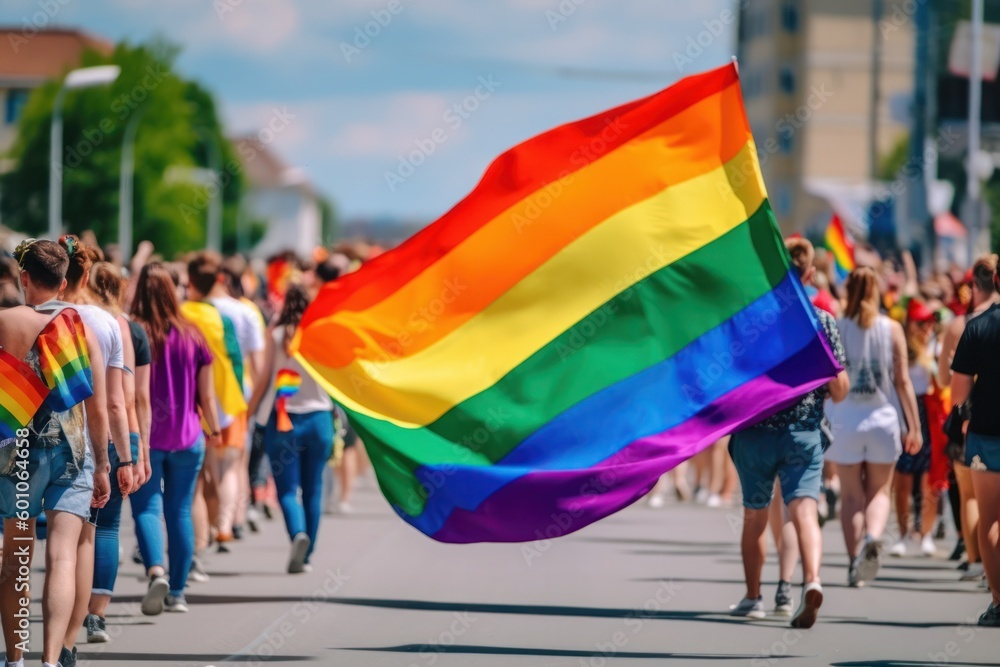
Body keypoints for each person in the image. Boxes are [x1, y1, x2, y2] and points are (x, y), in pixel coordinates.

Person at [0, 239, 120, 667]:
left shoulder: (5, 321)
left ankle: (16, 659)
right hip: (71, 449)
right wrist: (103, 465)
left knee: (17, 557)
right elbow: (98, 405)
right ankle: (51, 660)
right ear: (64, 282)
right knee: (63, 557)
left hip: (16, 452)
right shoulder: (80, 325)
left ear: (24, 277)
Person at [729, 238, 849, 629]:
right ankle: (810, 580)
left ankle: (753, 598)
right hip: (803, 432)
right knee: (803, 509)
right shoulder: (823, 321)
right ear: (810, 275)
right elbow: (840, 390)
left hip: (755, 432)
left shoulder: (750, 321)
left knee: (755, 515)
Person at [51, 238, 136, 666]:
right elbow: (114, 403)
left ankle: (16, 649)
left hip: (27, 444)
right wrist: (119, 458)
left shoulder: (28, 315)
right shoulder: (106, 323)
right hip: (82, 445)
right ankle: (65, 646)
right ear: (86, 275)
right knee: (78, 544)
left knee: (21, 547)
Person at [130, 262, 221, 615]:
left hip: (146, 437)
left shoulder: (133, 332)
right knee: (180, 510)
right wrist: (214, 429)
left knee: (147, 508)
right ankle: (178, 592)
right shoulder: (193, 335)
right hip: (188, 436)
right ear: (174, 291)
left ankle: (156, 571)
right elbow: (207, 395)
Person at [826, 266, 922, 588]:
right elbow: (903, 380)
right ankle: (872, 536)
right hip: (883, 418)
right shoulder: (891, 328)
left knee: (851, 496)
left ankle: (855, 562)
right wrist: (914, 426)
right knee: (880, 491)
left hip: (845, 419)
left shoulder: (836, 325)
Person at [84, 261, 153, 643]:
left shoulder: (70, 318)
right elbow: (129, 398)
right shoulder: (126, 328)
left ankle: (64, 621)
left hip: (69, 435)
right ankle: (96, 615)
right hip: (114, 435)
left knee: (72, 532)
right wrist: (135, 453)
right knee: (107, 526)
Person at [247, 284, 334, 573]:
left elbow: (263, 380)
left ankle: (297, 534)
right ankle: (307, 556)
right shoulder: (320, 334)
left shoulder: (277, 334)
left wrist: (249, 413)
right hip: (319, 420)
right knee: (313, 489)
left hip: (284, 421)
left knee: (286, 489)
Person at [181, 252, 248, 551]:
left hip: (193, 400)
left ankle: (205, 528)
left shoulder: (182, 313)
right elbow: (236, 361)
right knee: (229, 467)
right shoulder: (226, 317)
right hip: (227, 399)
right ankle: (224, 525)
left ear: (191, 282)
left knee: (206, 470)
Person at [939, 255, 999, 583]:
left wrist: (965, 414)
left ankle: (996, 595)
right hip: (983, 432)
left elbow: (957, 393)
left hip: (986, 431)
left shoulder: (974, 326)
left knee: (987, 515)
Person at [889, 299, 940, 557]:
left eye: (929, 322)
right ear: (910, 323)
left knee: (929, 479)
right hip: (905, 411)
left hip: (929, 414)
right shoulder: (900, 347)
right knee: (903, 479)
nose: (926, 328)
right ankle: (902, 534)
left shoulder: (935, 346)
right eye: (921, 323)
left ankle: (926, 533)